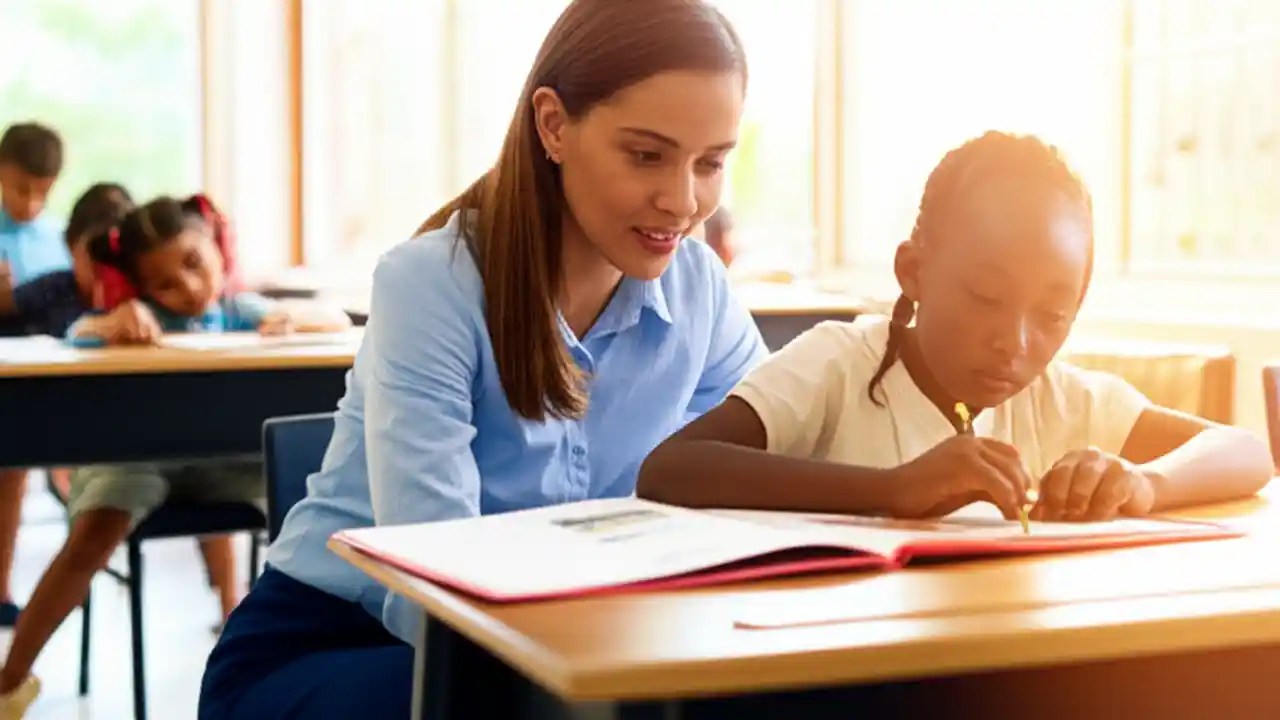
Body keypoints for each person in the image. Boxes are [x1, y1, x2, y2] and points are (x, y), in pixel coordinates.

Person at [198, 1, 763, 717]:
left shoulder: (700, 289)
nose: (684, 201)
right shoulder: (431, 284)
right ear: (553, 125)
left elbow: (776, 453)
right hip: (341, 643)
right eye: (646, 155)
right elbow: (437, 580)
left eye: (711, 163)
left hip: (557, 644)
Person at [638, 131, 1272, 524]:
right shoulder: (840, 364)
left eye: (1052, 317)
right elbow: (672, 468)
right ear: (913, 271)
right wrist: (893, 490)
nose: (1015, 344)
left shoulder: (1061, 399)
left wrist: (1143, 483)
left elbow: (1248, 452)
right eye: (985, 296)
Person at [0, 195, 351, 718]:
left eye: (193, 263)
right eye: (164, 283)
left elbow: (335, 318)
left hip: (225, 468)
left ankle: (269, 653)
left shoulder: (240, 311)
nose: (187, 289)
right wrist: (117, 320)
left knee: (310, 498)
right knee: (95, 530)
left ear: (216, 247)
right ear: (141, 288)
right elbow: (79, 334)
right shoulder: (134, 317)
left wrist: (293, 319)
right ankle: (11, 681)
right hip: (138, 463)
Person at [0, 122, 68, 630]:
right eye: (21, 189)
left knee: (18, 466)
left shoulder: (56, 238)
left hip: (41, 370)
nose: (30, 203)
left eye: (42, 193)